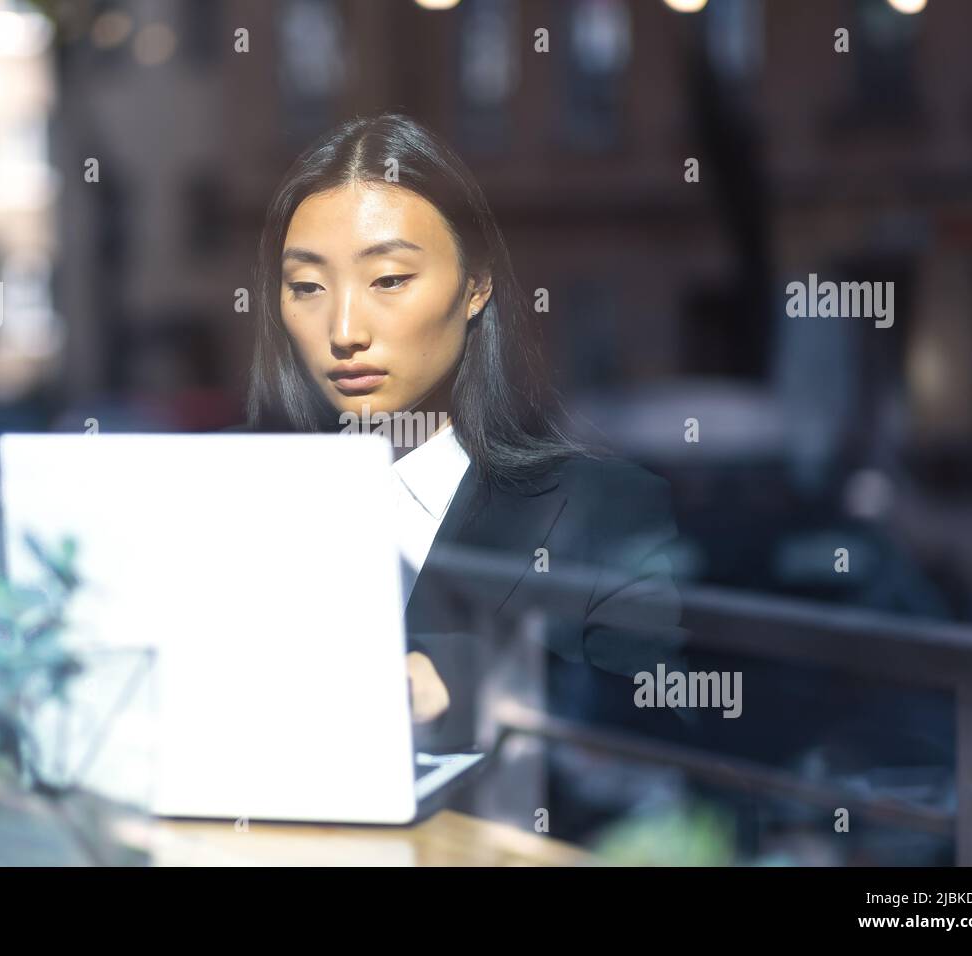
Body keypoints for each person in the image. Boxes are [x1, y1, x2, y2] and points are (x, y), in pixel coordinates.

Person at [245, 112, 684, 753]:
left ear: (476, 284)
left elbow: (663, 741)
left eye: (389, 279)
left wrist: (468, 682)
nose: (344, 330)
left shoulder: (599, 512)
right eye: (306, 286)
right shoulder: (234, 500)